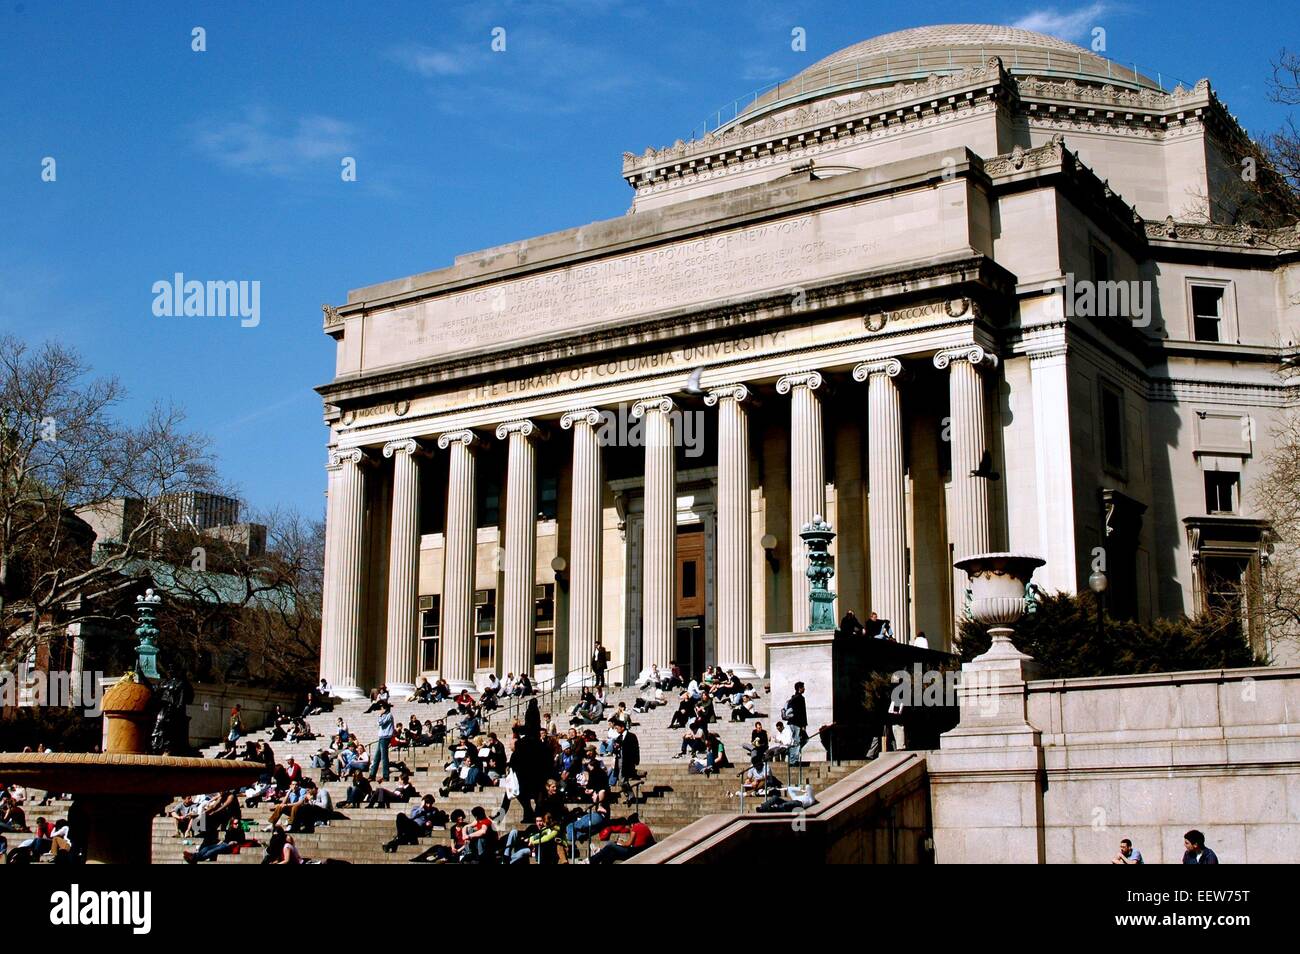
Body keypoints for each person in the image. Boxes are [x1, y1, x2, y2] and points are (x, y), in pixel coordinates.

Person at [783, 682, 808, 764]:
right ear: (799, 688)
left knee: (801, 739)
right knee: (797, 741)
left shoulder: (792, 698)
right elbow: (802, 713)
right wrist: (803, 725)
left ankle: (791, 754)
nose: (804, 689)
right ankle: (793, 760)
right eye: (803, 687)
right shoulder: (800, 698)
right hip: (797, 723)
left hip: (791, 722)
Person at [370, 702, 394, 781]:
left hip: (386, 737)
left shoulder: (389, 715)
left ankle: (386, 776)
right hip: (381, 737)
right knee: (377, 757)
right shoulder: (384, 716)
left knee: (384, 757)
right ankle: (372, 775)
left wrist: (380, 715)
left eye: (382, 708)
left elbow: (381, 723)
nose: (381, 709)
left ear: (385, 708)